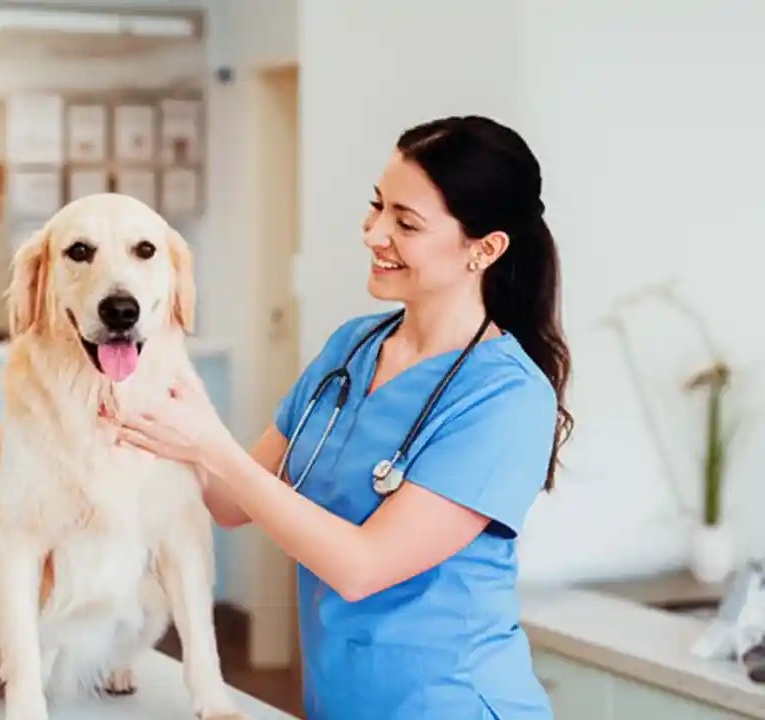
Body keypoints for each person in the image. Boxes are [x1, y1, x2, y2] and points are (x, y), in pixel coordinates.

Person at [105, 115, 573, 719]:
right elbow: (229, 502)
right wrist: (149, 402)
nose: (375, 233)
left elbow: (361, 567)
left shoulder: (505, 398)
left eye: (405, 223)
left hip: (452, 704)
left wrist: (210, 444)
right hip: (337, 702)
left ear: (484, 248)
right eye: (377, 207)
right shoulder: (352, 349)